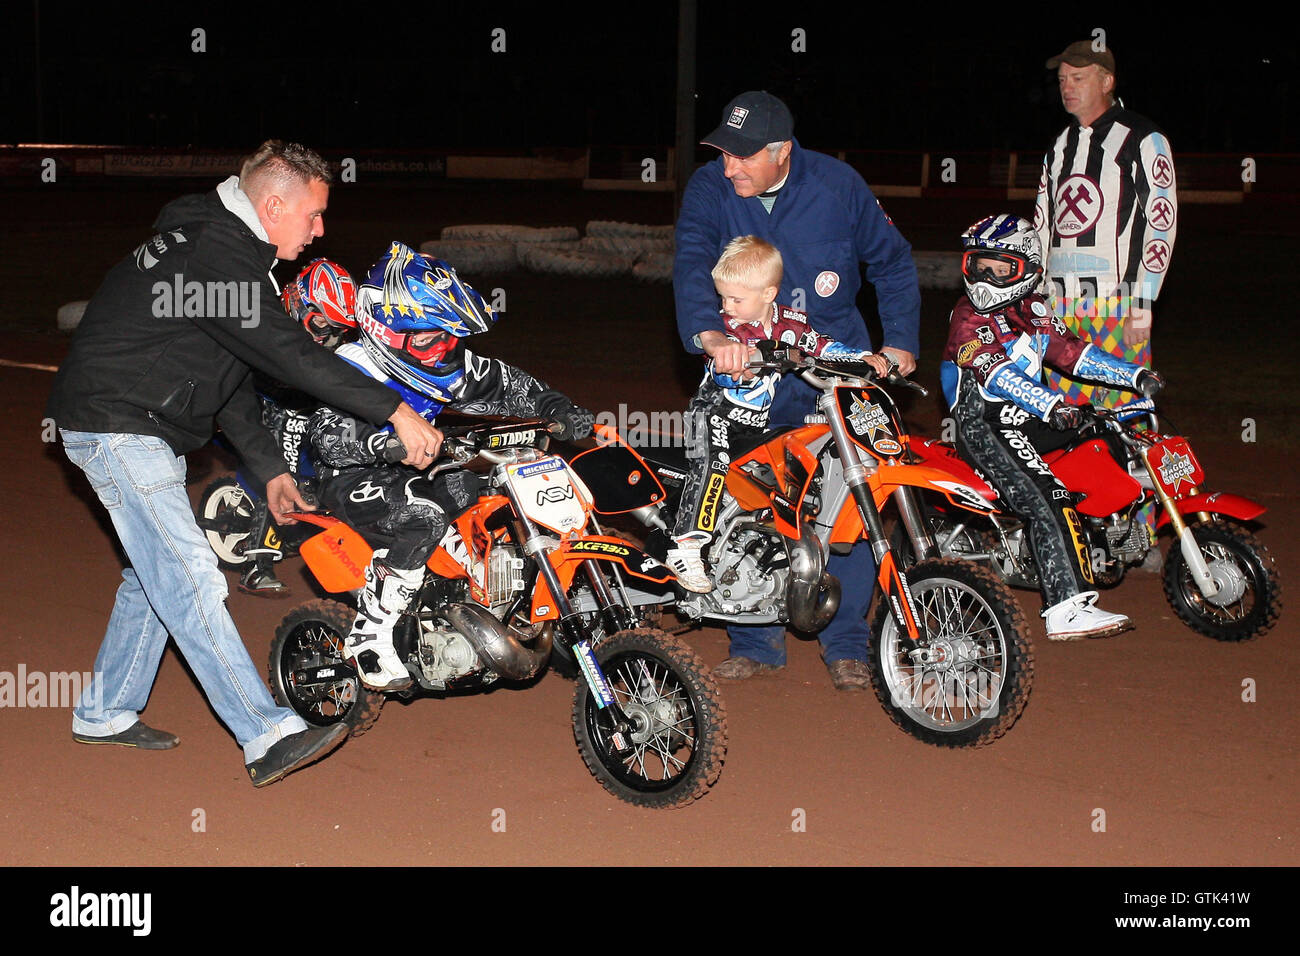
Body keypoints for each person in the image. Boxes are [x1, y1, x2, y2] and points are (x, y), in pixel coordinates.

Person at [46, 141, 444, 787]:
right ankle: (265, 733)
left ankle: (105, 711)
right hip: (117, 425)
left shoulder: (223, 252)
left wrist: (271, 469)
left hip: (134, 423)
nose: (320, 230)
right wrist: (393, 410)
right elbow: (289, 355)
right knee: (192, 576)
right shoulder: (214, 251)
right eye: (313, 214)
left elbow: (231, 374)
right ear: (274, 206)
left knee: (154, 575)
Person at [673, 90, 921, 690]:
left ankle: (847, 644)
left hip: (832, 365)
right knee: (749, 499)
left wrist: (899, 342)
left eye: (742, 157)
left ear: (781, 151)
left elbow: (891, 262)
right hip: (751, 375)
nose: (728, 168)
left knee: (852, 500)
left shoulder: (839, 186)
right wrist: (711, 335)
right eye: (723, 154)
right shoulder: (709, 189)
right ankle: (755, 641)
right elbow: (691, 261)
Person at [307, 242, 594, 690]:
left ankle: (486, 587)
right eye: (428, 339)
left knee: (489, 491)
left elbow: (509, 385)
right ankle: (371, 633)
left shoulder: (448, 361)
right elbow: (327, 437)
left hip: (420, 466)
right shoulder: (351, 367)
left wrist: (556, 406)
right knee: (423, 516)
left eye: (448, 336)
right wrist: (385, 444)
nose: (441, 349)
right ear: (384, 330)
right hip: (350, 476)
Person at [941, 214, 1164, 640]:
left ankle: (1104, 533)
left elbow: (1072, 353)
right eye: (979, 266)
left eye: (1000, 268)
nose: (986, 278)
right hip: (984, 425)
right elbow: (996, 373)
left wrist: (1133, 375)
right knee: (1048, 497)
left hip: (1029, 419)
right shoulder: (968, 317)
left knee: (1104, 431)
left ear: (1029, 269)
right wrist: (1051, 404)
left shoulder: (1033, 309)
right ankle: (1065, 608)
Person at [667, 235, 889, 592]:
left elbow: (820, 344)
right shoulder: (726, 330)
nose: (726, 306)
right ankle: (686, 547)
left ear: (769, 294)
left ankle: (760, 555)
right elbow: (720, 368)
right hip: (711, 416)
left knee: (783, 470)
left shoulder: (788, 322)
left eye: (736, 299)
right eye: (722, 297)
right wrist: (732, 362)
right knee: (713, 462)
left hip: (755, 424)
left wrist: (860, 357)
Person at [1034, 41, 1177, 563]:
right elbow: (1043, 223)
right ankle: (1087, 526)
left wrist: (1144, 299)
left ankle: (1141, 531)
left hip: (1117, 305)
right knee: (1067, 420)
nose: (1067, 87)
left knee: (1127, 417)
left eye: (1078, 77)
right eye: (1062, 80)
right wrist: (1036, 296)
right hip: (1063, 310)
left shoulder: (1143, 138)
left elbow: (1161, 219)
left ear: (1107, 81)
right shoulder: (1059, 145)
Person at [236, 257, 360, 596]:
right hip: (265, 402)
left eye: (339, 328)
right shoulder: (268, 321)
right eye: (321, 323)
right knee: (285, 460)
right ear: (298, 304)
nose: (329, 335)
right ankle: (255, 564)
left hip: (308, 400)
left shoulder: (325, 336)